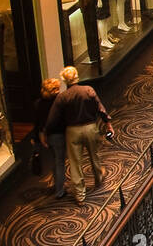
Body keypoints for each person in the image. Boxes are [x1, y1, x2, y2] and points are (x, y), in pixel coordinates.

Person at [45, 66, 112, 204]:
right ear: (77, 77)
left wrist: (47, 134)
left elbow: (53, 119)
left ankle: (80, 196)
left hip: (72, 131)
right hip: (90, 127)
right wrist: (108, 124)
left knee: (75, 163)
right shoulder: (88, 90)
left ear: (64, 80)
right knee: (95, 155)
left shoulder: (62, 97)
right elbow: (100, 108)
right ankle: (98, 178)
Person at [33, 78, 67, 199]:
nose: (59, 90)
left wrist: (40, 137)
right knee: (60, 162)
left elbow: (38, 123)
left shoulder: (38, 103)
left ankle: (57, 183)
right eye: (56, 88)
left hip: (47, 137)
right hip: (59, 135)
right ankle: (59, 190)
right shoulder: (59, 101)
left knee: (55, 159)